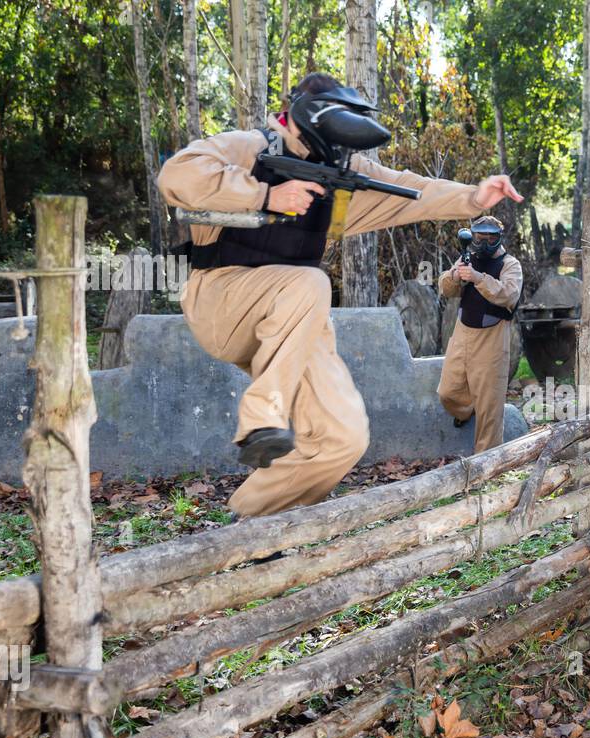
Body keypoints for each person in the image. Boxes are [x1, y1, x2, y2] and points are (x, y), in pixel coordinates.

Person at [157, 72, 522, 518]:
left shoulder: (343, 174)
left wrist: (474, 197)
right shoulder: (245, 148)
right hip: (221, 301)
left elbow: (412, 191)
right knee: (311, 282)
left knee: (343, 437)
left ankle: (248, 523)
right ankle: (263, 420)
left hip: (291, 319)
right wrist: (265, 195)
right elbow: (176, 175)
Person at [436, 216, 522, 453]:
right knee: (447, 391)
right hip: (463, 333)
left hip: (492, 338)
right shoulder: (467, 258)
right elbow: (445, 288)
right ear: (471, 237)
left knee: (489, 406)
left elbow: (508, 294)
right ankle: (464, 411)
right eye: (479, 237)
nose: (484, 242)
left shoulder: (510, 264)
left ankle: (486, 465)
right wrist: (455, 277)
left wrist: (478, 278)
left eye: (490, 237)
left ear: (499, 238)